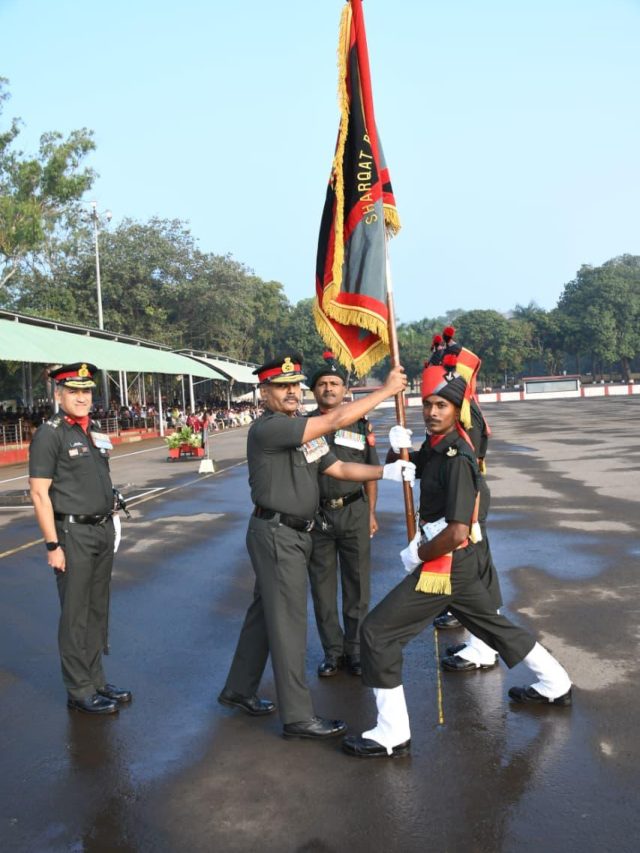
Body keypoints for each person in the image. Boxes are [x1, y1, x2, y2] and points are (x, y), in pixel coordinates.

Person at [342, 354, 572, 759]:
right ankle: (556, 682)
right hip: (455, 565)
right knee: (491, 625)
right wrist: (398, 452)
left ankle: (391, 732)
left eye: (441, 405)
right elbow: (411, 474)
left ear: (457, 409)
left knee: (378, 633)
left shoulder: (458, 458)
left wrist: (419, 554)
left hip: (447, 561)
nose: (431, 412)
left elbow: (458, 530)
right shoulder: (435, 447)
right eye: (427, 403)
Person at [218, 353, 413, 741]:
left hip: (292, 534)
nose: (291, 392)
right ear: (264, 391)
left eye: (294, 385)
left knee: (264, 616)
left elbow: (338, 468)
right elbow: (336, 419)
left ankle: (238, 689)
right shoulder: (270, 428)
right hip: (278, 534)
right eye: (281, 386)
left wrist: (387, 472)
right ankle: (298, 716)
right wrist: (386, 390)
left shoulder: (298, 428)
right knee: (289, 624)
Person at [29, 363, 130, 715]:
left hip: (101, 529)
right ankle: (79, 689)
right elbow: (39, 493)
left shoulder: (95, 429)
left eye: (86, 391)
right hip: (72, 534)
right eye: (74, 391)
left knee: (96, 608)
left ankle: (97, 680)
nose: (82, 398)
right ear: (59, 395)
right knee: (75, 614)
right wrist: (52, 545)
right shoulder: (50, 433)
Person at [307, 352, 380, 678]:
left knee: (358, 587)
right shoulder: (304, 427)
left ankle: (356, 652)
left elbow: (368, 473)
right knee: (323, 590)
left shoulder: (361, 425)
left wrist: (371, 513)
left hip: (354, 511)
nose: (328, 388)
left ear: (345, 390)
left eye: (334, 383)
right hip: (317, 517)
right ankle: (333, 653)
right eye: (322, 384)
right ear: (314, 391)